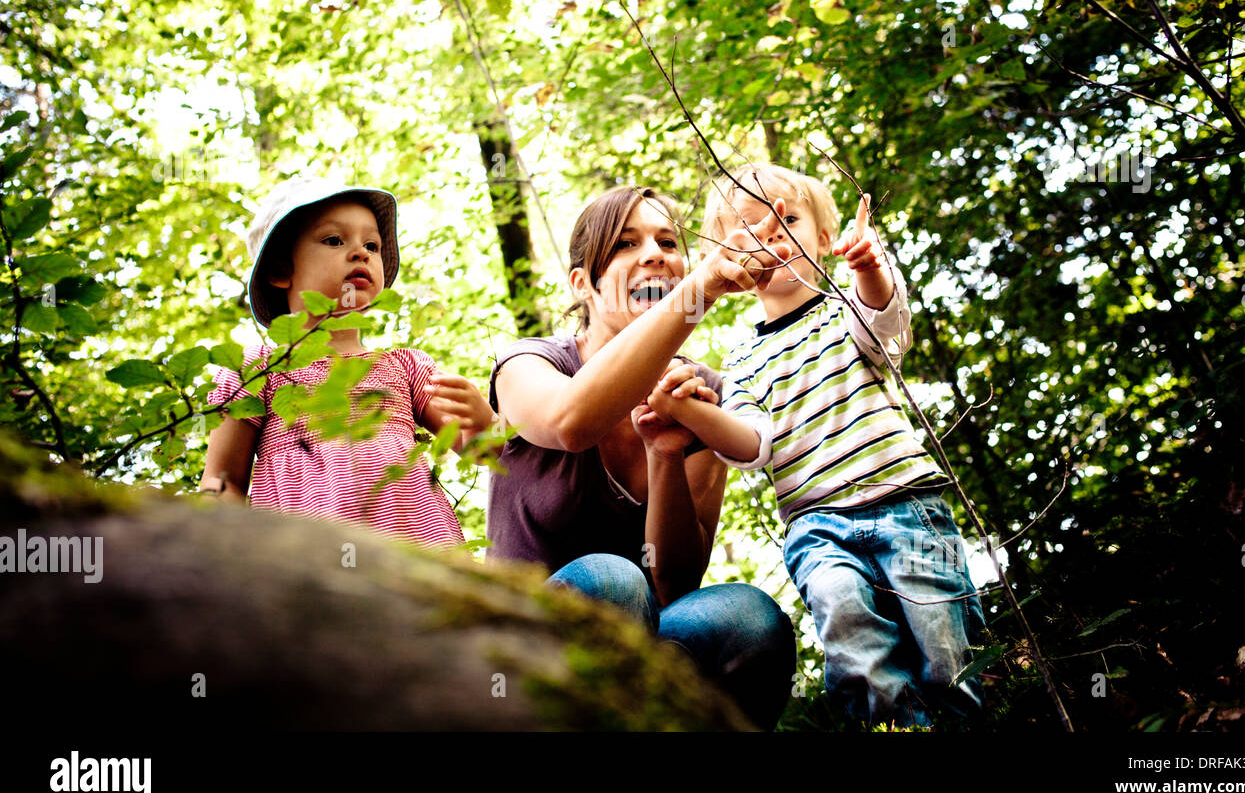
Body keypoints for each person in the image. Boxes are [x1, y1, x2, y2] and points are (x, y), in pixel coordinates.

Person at [645, 162, 985, 728]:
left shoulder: (847, 310)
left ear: (825, 240)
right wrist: (687, 410)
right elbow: (752, 445)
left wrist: (871, 268)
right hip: (817, 525)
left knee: (944, 645)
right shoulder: (743, 359)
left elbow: (888, 327)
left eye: (788, 219)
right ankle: (890, 728)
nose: (771, 234)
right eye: (750, 227)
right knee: (852, 636)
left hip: (907, 505)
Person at [487, 184, 796, 729]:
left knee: (750, 617)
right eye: (626, 244)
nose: (654, 253)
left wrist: (665, 453)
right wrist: (703, 285)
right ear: (584, 283)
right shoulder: (529, 363)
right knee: (612, 579)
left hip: (642, 644)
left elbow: (674, 586)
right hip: (521, 648)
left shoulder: (703, 396)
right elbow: (571, 421)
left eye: (667, 241)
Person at [200, 176, 495, 549]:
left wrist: (485, 422)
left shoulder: (406, 369)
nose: (361, 253)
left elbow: (484, 448)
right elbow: (223, 482)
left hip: (423, 564)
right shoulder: (256, 371)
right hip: (308, 568)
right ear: (280, 270)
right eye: (334, 240)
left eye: (372, 244)